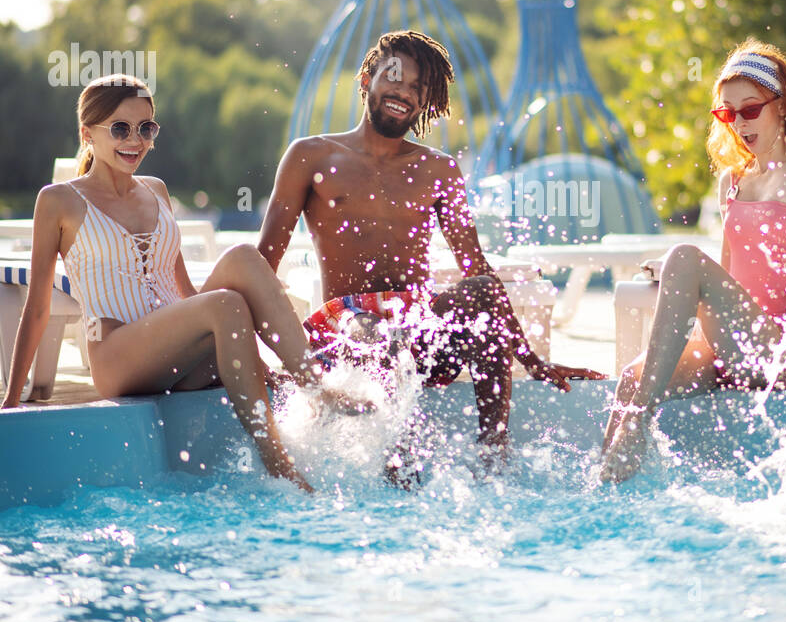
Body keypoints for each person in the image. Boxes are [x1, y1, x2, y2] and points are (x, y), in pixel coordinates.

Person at [257, 30, 604, 483]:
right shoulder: (311, 156)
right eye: (395, 77)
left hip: (419, 331)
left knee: (478, 291)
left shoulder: (437, 169)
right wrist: (272, 364)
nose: (404, 92)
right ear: (367, 79)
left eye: (419, 88)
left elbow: (477, 271)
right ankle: (398, 472)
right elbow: (260, 268)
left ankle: (493, 461)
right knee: (381, 330)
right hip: (346, 329)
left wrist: (534, 361)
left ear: (426, 103)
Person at [2, 74, 333, 492]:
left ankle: (315, 386)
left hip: (174, 357)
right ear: (88, 133)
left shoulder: (156, 191)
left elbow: (187, 295)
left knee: (243, 259)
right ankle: (277, 461)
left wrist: (255, 361)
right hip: (117, 356)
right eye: (120, 128)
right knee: (226, 304)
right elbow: (37, 307)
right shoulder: (58, 200)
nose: (135, 140)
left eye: (146, 128)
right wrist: (12, 400)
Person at [600, 40, 786, 482]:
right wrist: (676, 279)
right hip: (732, 348)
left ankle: (639, 422)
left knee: (684, 256)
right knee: (628, 379)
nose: (738, 123)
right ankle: (604, 496)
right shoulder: (731, 181)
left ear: (783, 104)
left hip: (782, 352)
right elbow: (728, 275)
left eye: (750, 110)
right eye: (727, 113)